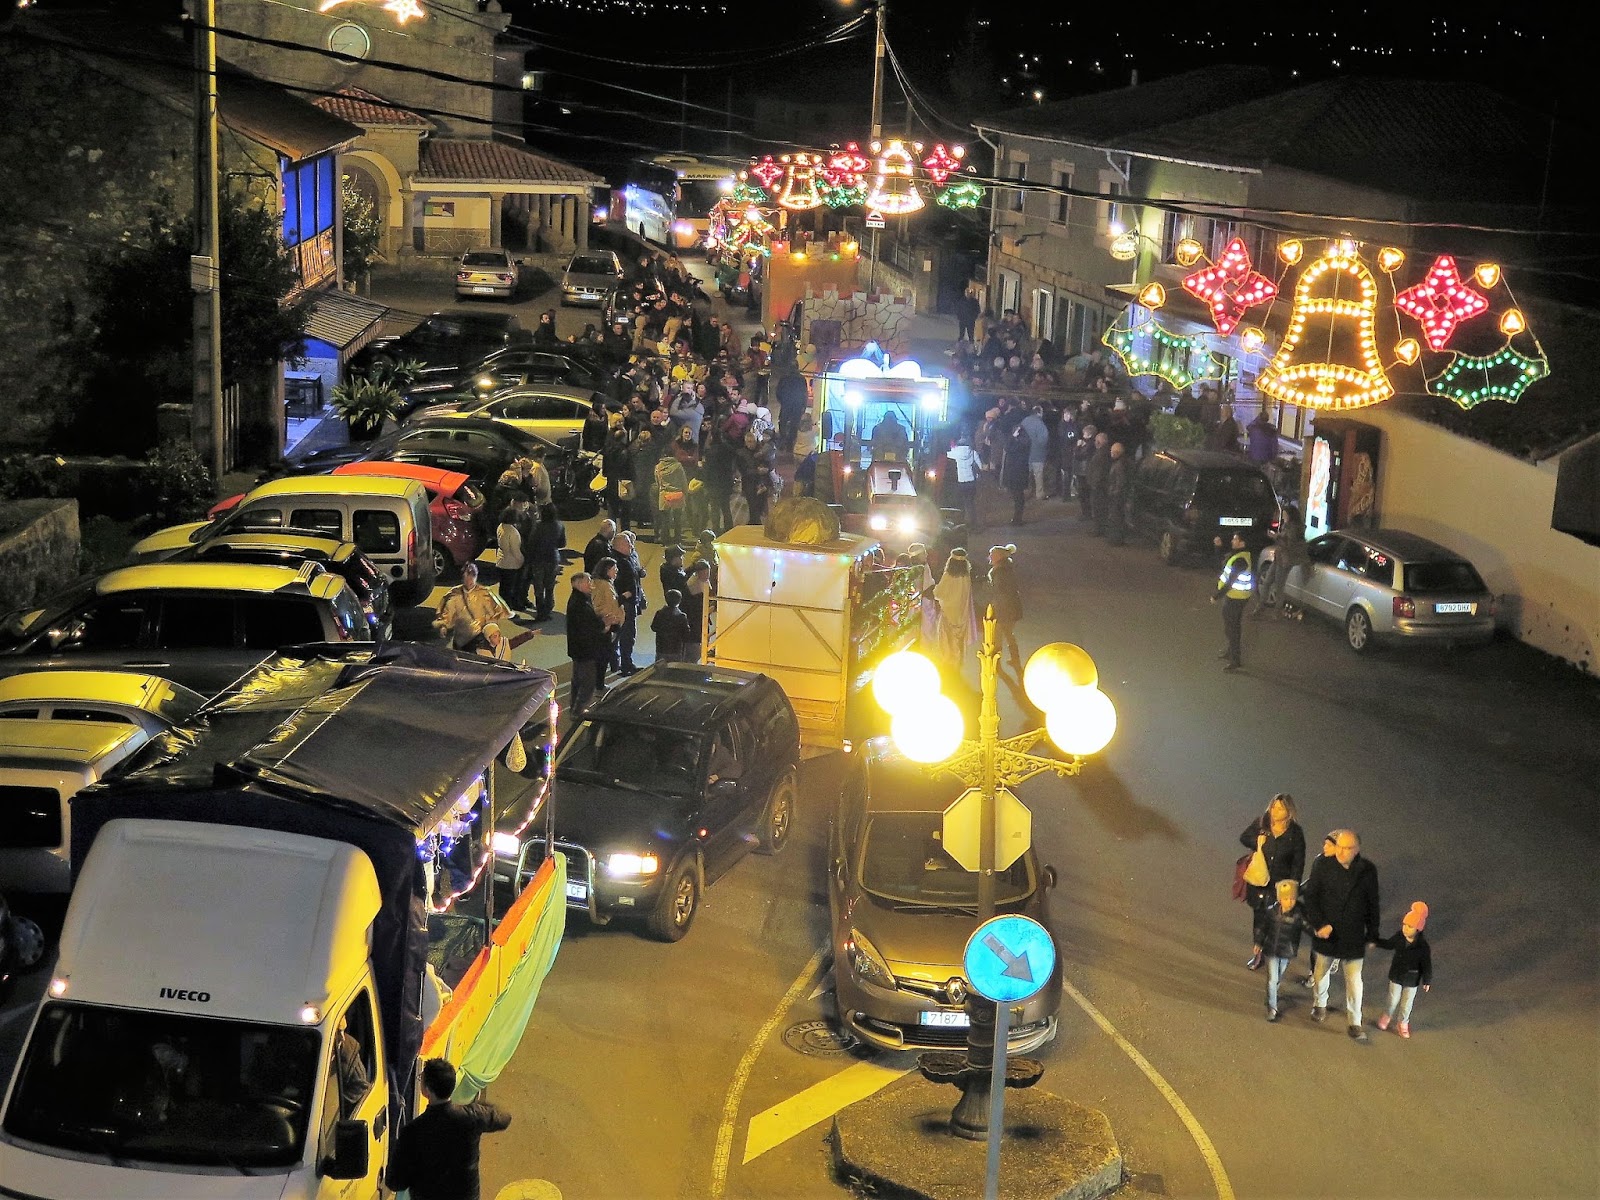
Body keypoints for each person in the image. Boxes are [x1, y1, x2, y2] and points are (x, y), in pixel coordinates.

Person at [386, 1058, 511, 1200]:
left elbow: (395, 1183)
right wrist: (476, 1108)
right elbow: (504, 1118)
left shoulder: (413, 1131)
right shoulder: (471, 1117)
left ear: (427, 1091)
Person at [1302, 829, 1381, 1041]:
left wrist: (1373, 933)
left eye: (1348, 848)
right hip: (1327, 934)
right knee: (1320, 972)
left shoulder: (1367, 870)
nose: (1342, 852)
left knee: (1355, 980)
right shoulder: (1322, 865)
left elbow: (1373, 903)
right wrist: (1319, 924)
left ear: (1357, 850)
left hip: (1353, 935)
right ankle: (1320, 1004)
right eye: (1339, 846)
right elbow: (1311, 898)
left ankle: (1355, 1021)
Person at [1241, 793, 1307, 969]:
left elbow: (1298, 863)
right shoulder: (1262, 823)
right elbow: (1244, 837)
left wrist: (1293, 888)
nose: (1275, 811)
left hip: (1280, 885)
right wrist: (1258, 842)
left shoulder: (1295, 833)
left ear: (1289, 811)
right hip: (1260, 880)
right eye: (1273, 807)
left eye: (1280, 808)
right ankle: (1258, 954)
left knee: (1273, 918)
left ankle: (1270, 951)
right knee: (1259, 916)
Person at [1374, 902, 1432, 1038]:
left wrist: (1427, 980)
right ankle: (1387, 1016)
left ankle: (1403, 1023)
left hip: (1412, 979)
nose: (1405, 928)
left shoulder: (1423, 946)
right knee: (1392, 999)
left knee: (1407, 1003)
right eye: (1405, 924)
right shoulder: (1399, 938)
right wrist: (1376, 941)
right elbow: (1389, 944)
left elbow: (1426, 964)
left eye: (1410, 926)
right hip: (1396, 975)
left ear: (1418, 929)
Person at [1254, 878, 1308, 1022]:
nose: (1289, 902)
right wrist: (1259, 942)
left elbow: (1307, 926)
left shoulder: (1298, 914)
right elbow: (1263, 928)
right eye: (1285, 898)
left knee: (1278, 976)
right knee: (1273, 978)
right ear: (1279, 898)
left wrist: (1319, 932)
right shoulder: (1271, 912)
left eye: (1292, 898)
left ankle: (1272, 994)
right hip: (1271, 949)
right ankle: (1273, 1007)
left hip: (1286, 951)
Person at [432, 563, 509, 654]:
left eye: (472, 577)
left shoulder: (484, 593)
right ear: (462, 578)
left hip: (480, 637)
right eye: (467, 577)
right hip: (461, 637)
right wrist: (443, 625)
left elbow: (495, 612)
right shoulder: (455, 594)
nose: (470, 581)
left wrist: (490, 630)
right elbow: (447, 611)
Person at [932, 548, 977, 679]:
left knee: (946, 640)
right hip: (961, 614)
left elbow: (939, 593)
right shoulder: (966, 576)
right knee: (958, 641)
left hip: (948, 613)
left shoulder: (948, 576)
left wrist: (934, 590)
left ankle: (948, 665)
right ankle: (957, 664)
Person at [565, 572, 607, 714]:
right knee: (588, 682)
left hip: (578, 648)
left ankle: (574, 707)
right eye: (588, 581)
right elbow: (589, 626)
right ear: (579, 584)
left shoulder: (578, 600)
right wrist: (604, 624)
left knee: (577, 680)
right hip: (585, 649)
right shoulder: (580, 604)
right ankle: (579, 711)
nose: (591, 584)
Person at [1211, 531, 1252, 672]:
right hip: (1235, 597)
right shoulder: (1237, 555)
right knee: (1233, 627)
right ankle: (1231, 652)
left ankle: (1235, 660)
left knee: (1232, 629)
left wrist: (1216, 596)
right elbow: (1223, 566)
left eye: (1235, 539)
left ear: (1242, 543)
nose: (1232, 541)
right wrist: (1218, 548)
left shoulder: (1240, 559)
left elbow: (1230, 581)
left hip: (1236, 599)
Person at [525, 503, 565, 622]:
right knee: (550, 585)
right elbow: (562, 543)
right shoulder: (559, 526)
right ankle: (548, 607)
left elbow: (531, 542)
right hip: (552, 558)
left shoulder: (538, 526)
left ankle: (540, 610)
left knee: (538, 586)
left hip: (538, 559)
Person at [986, 544, 1023, 675]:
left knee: (999, 634)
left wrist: (996, 607)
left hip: (1005, 609)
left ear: (998, 557)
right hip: (1010, 608)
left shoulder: (1001, 572)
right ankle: (1014, 659)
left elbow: (1001, 591)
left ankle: (996, 661)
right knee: (1007, 634)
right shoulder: (1004, 569)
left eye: (992, 554)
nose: (989, 557)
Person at [591, 558, 625, 688]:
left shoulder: (605, 583)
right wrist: (610, 619)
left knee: (604, 655)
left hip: (609, 624)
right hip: (606, 626)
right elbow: (600, 606)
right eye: (613, 569)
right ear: (606, 570)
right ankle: (599, 684)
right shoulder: (602, 585)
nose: (616, 571)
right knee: (602, 656)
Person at [494, 506, 527, 616]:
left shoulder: (500, 527)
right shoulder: (513, 532)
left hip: (501, 560)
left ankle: (502, 608)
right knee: (509, 589)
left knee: (503, 587)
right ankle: (508, 611)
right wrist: (522, 560)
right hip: (511, 564)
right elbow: (515, 551)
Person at [947, 433, 980, 533]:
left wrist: (952, 446)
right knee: (970, 503)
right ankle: (972, 524)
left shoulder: (956, 452)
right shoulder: (973, 452)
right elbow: (981, 466)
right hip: (971, 481)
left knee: (961, 502)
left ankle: (962, 523)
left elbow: (948, 454)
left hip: (961, 481)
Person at [1001, 422, 1032, 526]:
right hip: (1019, 473)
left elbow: (1008, 448)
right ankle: (1017, 518)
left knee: (1018, 497)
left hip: (1016, 474)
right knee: (1018, 497)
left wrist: (1012, 438)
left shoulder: (1021, 443)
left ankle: (1017, 519)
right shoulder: (1023, 442)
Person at [651, 589, 694, 663]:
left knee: (660, 670)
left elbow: (653, 627)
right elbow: (686, 634)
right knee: (674, 671)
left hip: (661, 648)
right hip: (676, 649)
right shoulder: (681, 616)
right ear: (679, 601)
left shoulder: (660, 613)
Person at [1105, 442, 1130, 546]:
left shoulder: (1119, 465)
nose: (1110, 453)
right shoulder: (1121, 463)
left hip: (1117, 496)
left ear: (1116, 452)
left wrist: (1114, 492)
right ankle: (1116, 538)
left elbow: (1120, 481)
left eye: (1112, 451)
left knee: (1116, 517)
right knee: (1117, 517)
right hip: (1118, 495)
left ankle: (1116, 539)